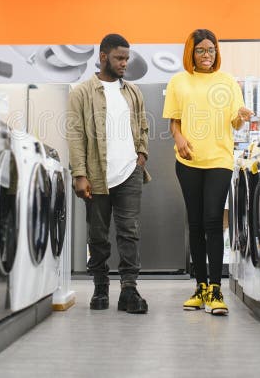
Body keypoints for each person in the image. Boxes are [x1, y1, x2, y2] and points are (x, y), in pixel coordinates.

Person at [163, 29, 253, 316]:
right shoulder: (179, 81)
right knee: (196, 224)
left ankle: (216, 289)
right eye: (201, 50)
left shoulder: (227, 83)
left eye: (211, 50)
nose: (206, 55)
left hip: (219, 159)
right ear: (191, 52)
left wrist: (241, 116)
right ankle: (200, 287)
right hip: (188, 160)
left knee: (213, 221)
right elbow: (174, 123)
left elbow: (235, 123)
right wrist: (179, 139)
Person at [67, 33, 150, 314]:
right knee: (98, 235)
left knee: (130, 233)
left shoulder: (133, 92)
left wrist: (141, 156)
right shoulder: (81, 92)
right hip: (96, 174)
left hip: (129, 173)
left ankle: (129, 289)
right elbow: (75, 134)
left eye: (127, 58)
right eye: (119, 58)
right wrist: (79, 174)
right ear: (103, 57)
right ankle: (100, 287)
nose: (124, 63)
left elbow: (142, 127)